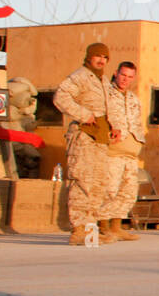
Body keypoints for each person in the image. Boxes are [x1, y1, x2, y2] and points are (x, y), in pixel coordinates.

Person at [53, 43, 115, 245]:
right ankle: (78, 230)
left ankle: (90, 232)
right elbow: (60, 97)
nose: (101, 60)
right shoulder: (80, 76)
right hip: (83, 136)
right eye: (97, 56)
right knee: (82, 182)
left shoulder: (103, 80)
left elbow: (106, 107)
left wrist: (114, 125)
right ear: (89, 57)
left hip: (99, 136)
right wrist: (83, 115)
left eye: (105, 57)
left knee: (98, 185)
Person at [101, 61, 145, 242]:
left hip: (131, 151)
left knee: (128, 191)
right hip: (112, 151)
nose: (125, 80)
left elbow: (138, 122)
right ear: (116, 73)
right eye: (123, 75)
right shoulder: (106, 95)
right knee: (109, 189)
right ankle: (104, 226)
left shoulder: (134, 99)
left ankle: (117, 227)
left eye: (130, 77)